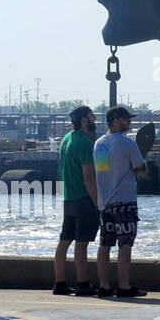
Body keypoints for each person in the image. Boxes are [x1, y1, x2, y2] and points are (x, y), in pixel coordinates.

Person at [92, 106, 148, 298]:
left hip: (105, 203)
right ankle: (124, 286)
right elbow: (141, 172)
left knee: (105, 244)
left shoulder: (100, 144)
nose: (129, 122)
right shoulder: (127, 143)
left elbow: (103, 171)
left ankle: (104, 286)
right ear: (115, 120)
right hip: (125, 201)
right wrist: (135, 170)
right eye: (126, 119)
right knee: (125, 244)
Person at [53, 106, 101, 296]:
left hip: (68, 198)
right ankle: (83, 283)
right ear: (83, 120)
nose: (94, 119)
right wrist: (97, 202)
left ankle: (60, 283)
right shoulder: (85, 143)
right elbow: (88, 178)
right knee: (82, 243)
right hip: (83, 199)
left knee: (64, 241)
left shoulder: (66, 140)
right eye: (91, 116)